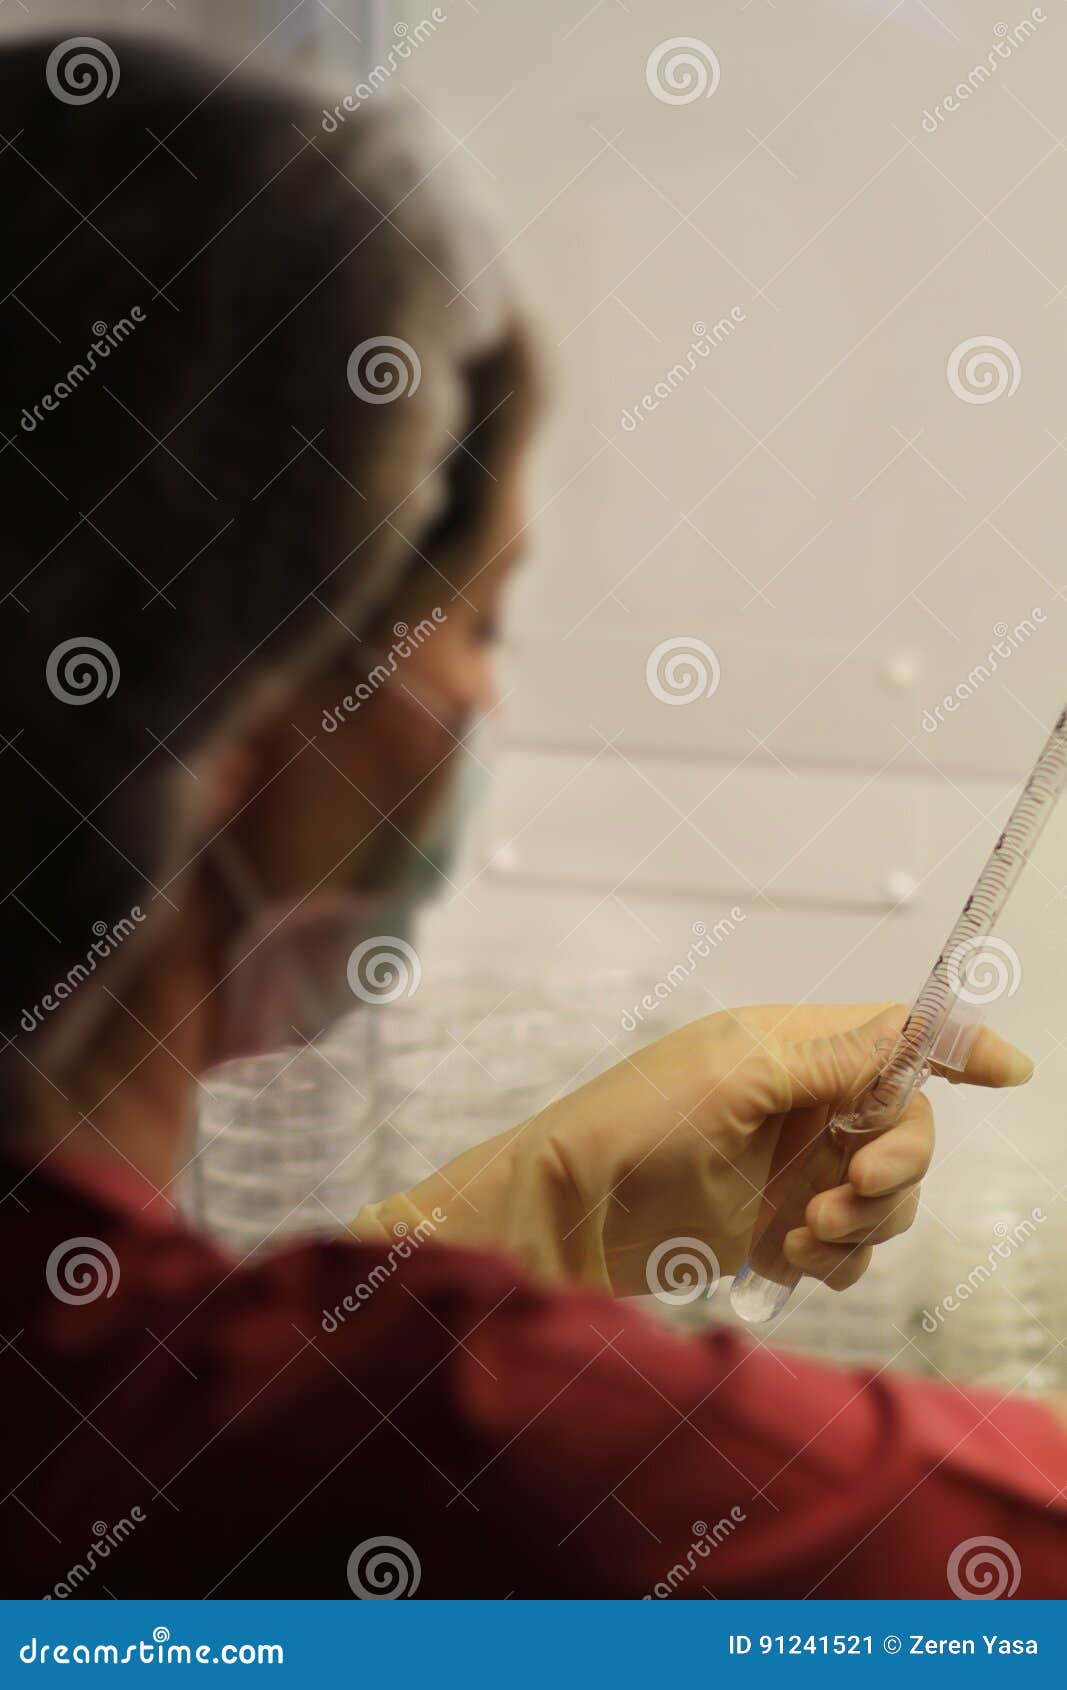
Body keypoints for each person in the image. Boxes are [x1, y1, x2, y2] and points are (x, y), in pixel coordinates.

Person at [1, 35, 1064, 1601]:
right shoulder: (431, 1442)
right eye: (477, 624)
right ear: (263, 717)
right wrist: (492, 1315)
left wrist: (542, 1200)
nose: (492, 711)